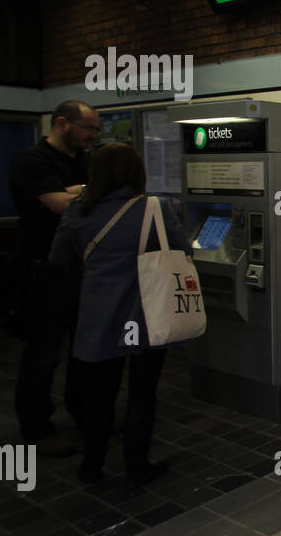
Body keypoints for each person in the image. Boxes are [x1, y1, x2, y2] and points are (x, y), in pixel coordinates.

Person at [50, 143, 187, 489]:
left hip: (98, 316)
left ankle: (91, 466)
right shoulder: (154, 208)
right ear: (135, 172)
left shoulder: (78, 211)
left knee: (98, 396)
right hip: (146, 315)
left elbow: (59, 260)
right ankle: (137, 465)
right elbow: (181, 250)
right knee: (142, 394)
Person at [9, 100, 98, 454]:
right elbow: (58, 204)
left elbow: (81, 198)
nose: (92, 135)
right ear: (62, 123)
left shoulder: (81, 161)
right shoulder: (32, 161)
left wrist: (77, 192)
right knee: (43, 351)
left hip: (80, 267)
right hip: (45, 269)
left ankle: (83, 412)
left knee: (83, 345)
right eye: (87, 128)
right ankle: (36, 427)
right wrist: (82, 193)